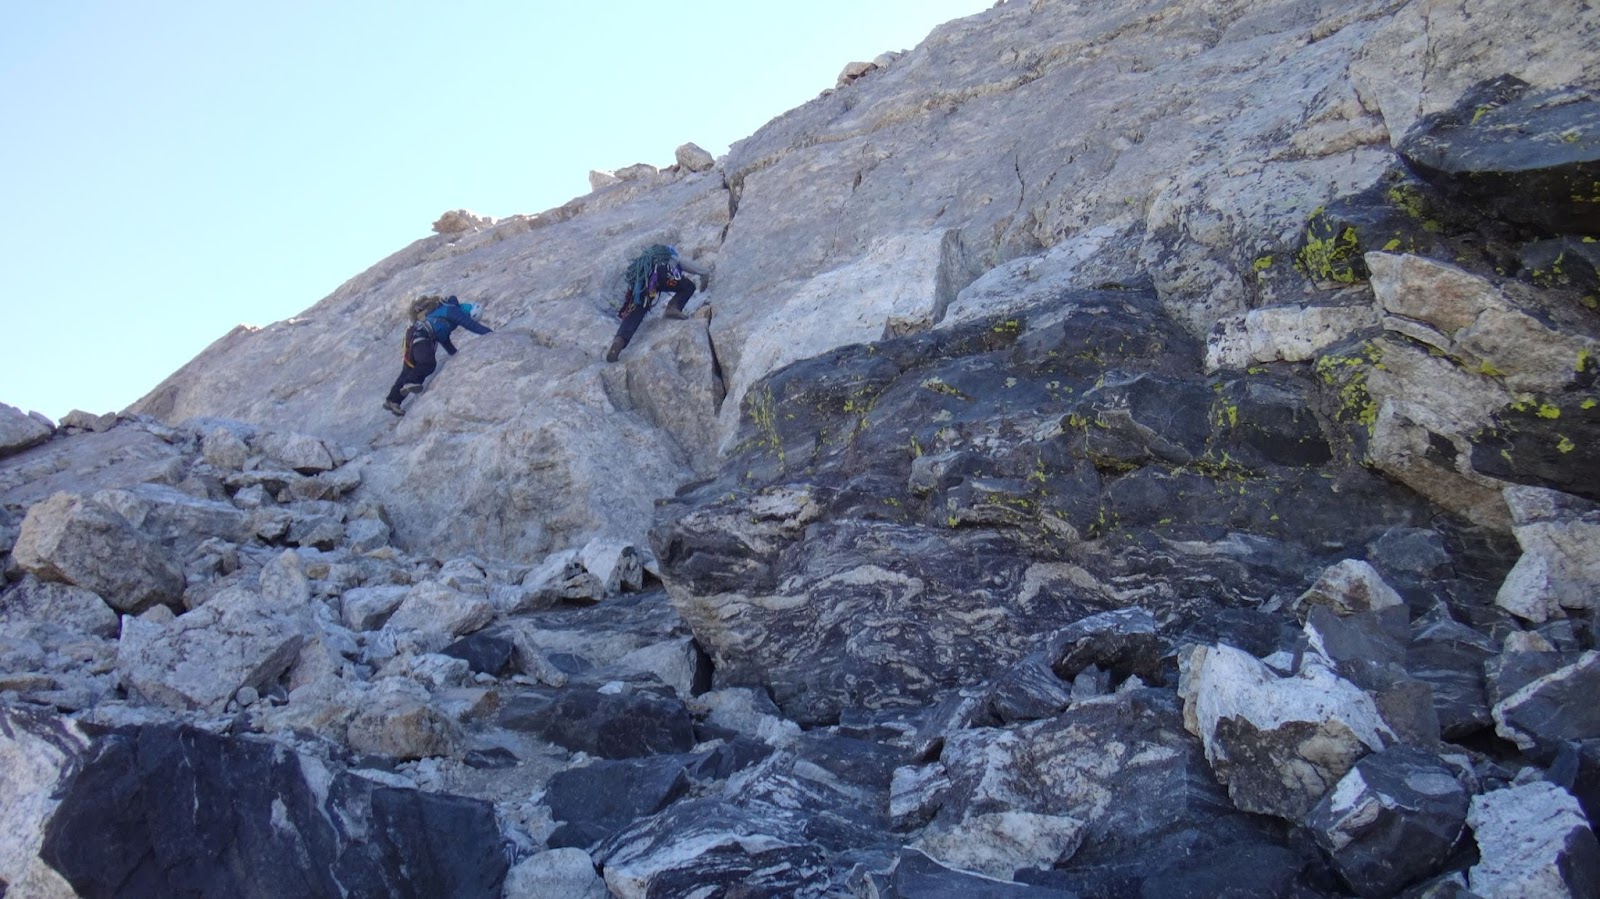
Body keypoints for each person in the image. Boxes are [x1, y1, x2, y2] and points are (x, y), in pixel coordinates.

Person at [382, 295, 492, 416]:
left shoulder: (445, 318)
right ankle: (411, 381)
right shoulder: (453, 310)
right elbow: (471, 325)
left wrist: (456, 356)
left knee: (409, 369)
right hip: (421, 336)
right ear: (469, 311)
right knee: (428, 363)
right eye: (469, 317)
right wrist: (492, 335)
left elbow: (445, 341)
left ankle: (393, 400)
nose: (467, 318)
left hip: (413, 336)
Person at [606, 245, 710, 363]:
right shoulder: (670, 256)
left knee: (637, 311)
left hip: (645, 281)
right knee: (689, 286)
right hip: (662, 273)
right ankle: (673, 307)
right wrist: (705, 273)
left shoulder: (647, 260)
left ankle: (619, 341)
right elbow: (686, 265)